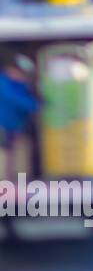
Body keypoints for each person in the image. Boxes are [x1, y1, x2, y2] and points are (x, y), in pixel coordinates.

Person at [0, 53, 39, 182]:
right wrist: (37, 105)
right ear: (12, 69)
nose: (23, 77)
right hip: (3, 125)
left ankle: (20, 178)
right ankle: (3, 179)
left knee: (21, 149)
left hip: (17, 126)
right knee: (4, 152)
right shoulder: (3, 83)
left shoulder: (20, 85)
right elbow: (18, 100)